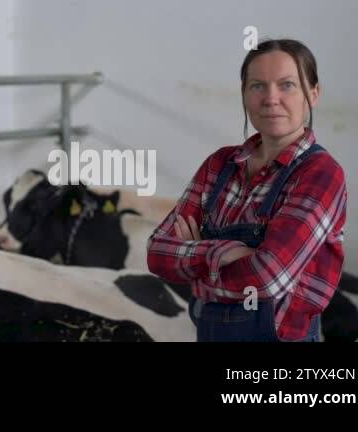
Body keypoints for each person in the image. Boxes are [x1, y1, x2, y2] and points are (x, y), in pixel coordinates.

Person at [146, 38, 347, 342]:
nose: (271, 98)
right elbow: (157, 253)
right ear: (244, 94)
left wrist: (196, 258)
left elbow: (268, 276)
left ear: (313, 94)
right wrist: (225, 251)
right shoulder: (219, 164)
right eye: (257, 86)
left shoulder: (320, 173)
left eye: (287, 85)